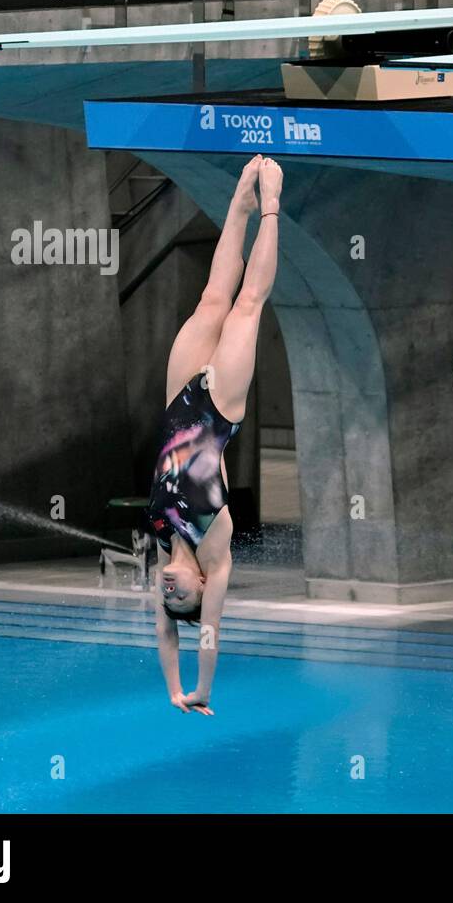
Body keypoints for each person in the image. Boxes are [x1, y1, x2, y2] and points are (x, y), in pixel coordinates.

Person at [146, 155, 283, 716]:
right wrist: (200, 690)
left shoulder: (160, 542)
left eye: (166, 598)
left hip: (178, 398)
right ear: (203, 585)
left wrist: (172, 690)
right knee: (246, 307)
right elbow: (206, 632)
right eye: (185, 600)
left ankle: (237, 205)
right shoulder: (216, 553)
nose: (170, 594)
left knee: (210, 299)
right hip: (219, 410)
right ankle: (271, 204)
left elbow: (164, 636)